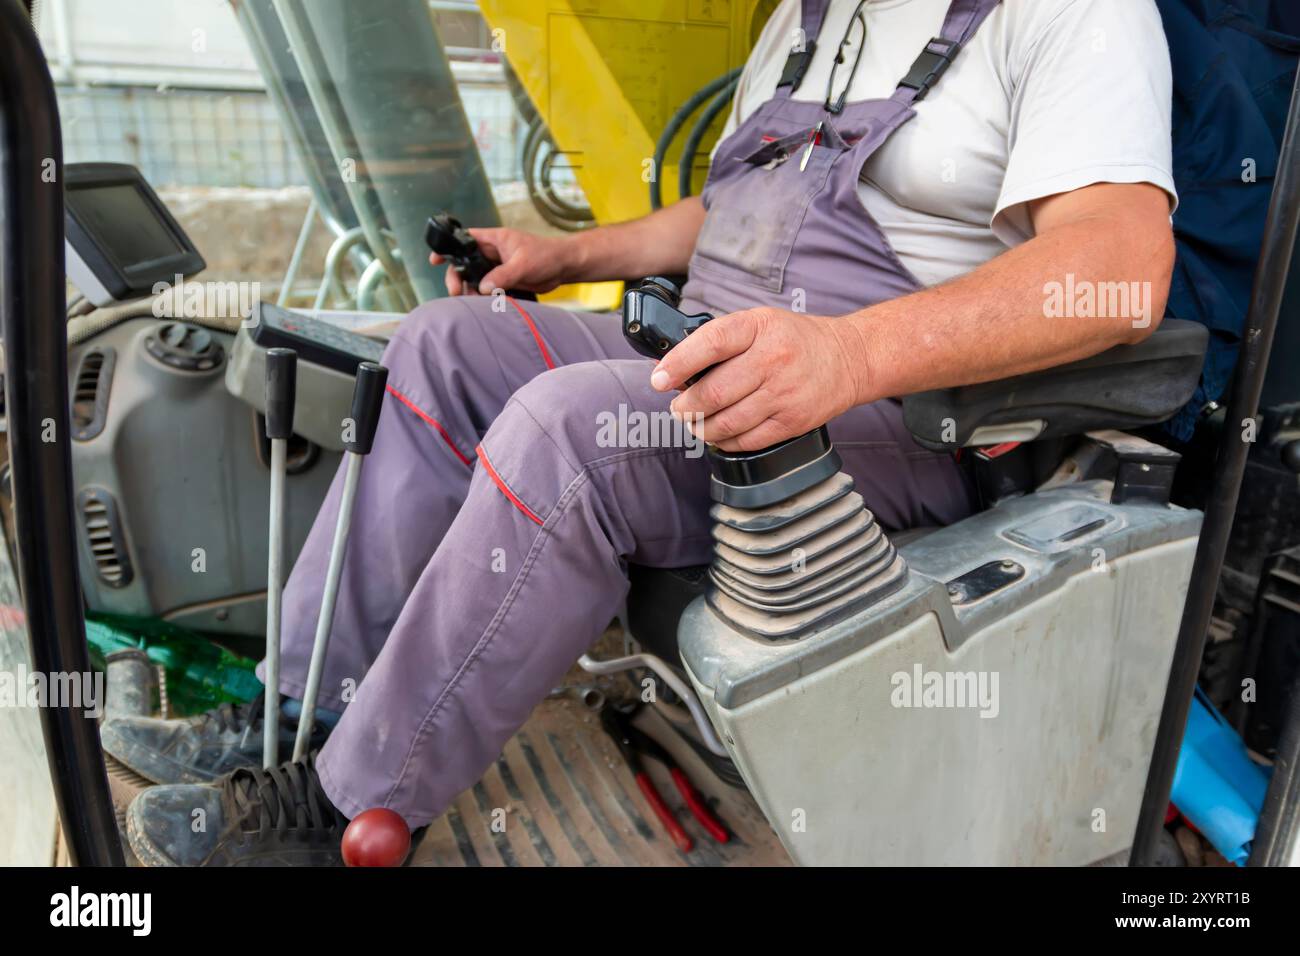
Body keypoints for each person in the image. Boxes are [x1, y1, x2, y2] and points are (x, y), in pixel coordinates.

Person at [111, 0, 1179, 865]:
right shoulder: (804, 22)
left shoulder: (1072, 16)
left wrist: (844, 357)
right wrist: (562, 256)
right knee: (442, 340)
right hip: (719, 352)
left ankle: (346, 803)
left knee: (571, 430)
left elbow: (1120, 269)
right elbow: (725, 216)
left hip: (883, 414)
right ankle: (293, 710)